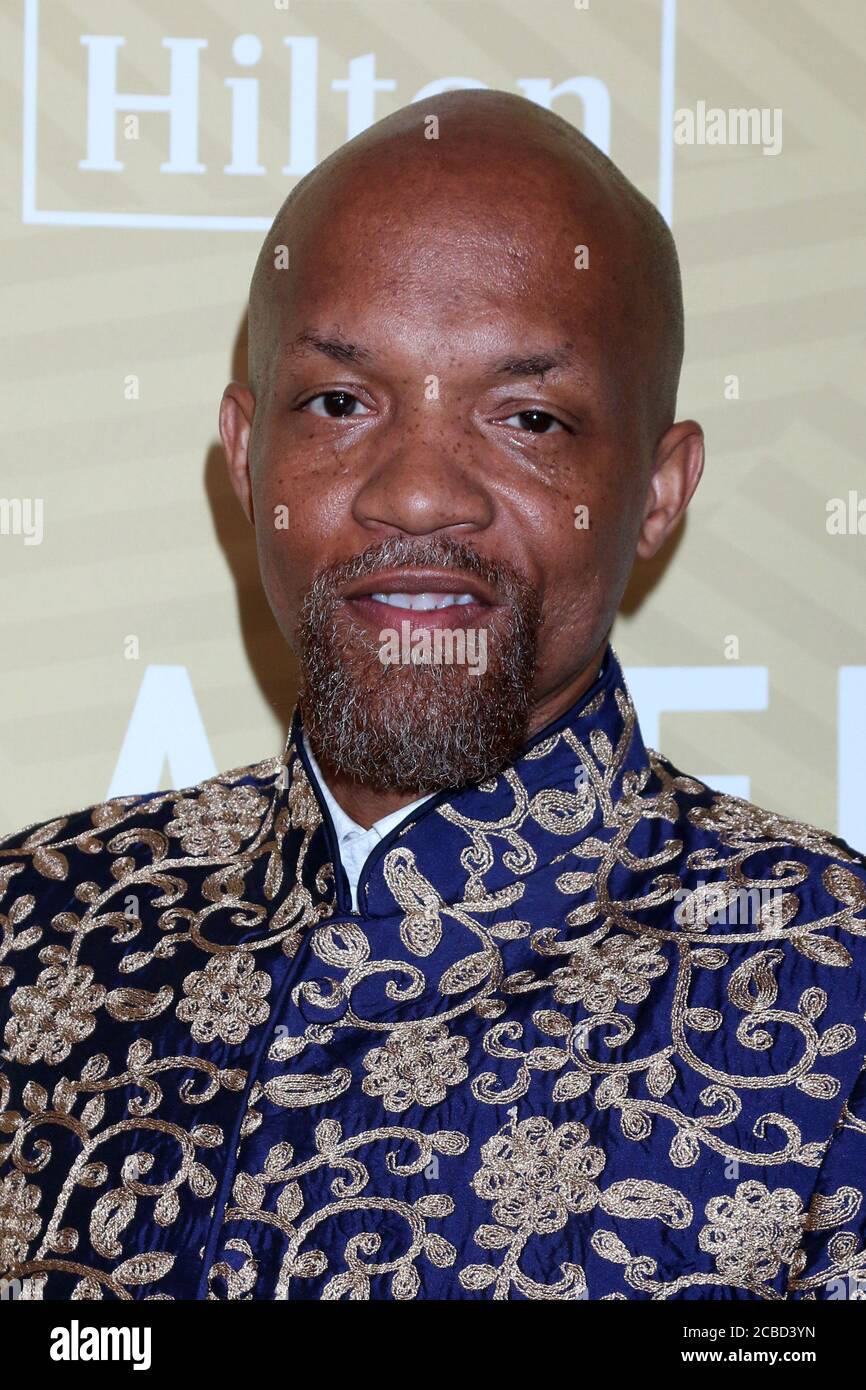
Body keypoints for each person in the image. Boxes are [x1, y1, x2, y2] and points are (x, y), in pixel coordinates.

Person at [2, 90, 865, 1303]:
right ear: (248, 457)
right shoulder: (37, 927)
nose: (415, 495)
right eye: (341, 403)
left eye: (525, 418)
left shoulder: (827, 983)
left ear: (659, 489)